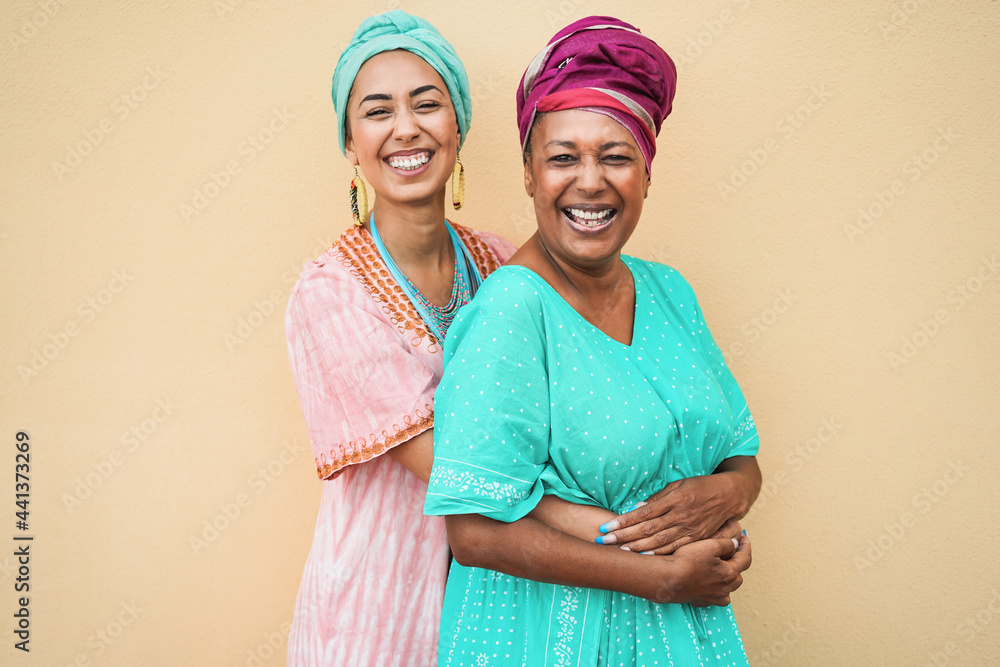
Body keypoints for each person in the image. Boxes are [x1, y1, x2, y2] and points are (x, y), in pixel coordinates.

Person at [424, 16, 761, 666]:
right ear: (528, 172)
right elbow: (472, 533)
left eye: (615, 156)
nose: (589, 181)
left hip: (683, 631)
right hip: (549, 637)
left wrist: (733, 492)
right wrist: (661, 576)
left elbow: (739, 454)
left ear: (647, 171)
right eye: (562, 157)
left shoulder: (669, 292)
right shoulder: (511, 310)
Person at [283, 11, 517, 665]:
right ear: (350, 143)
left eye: (427, 103)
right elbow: (455, 471)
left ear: (458, 124)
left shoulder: (501, 266)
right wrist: (625, 544)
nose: (405, 128)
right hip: (374, 620)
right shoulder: (329, 293)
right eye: (377, 110)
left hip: (496, 613)